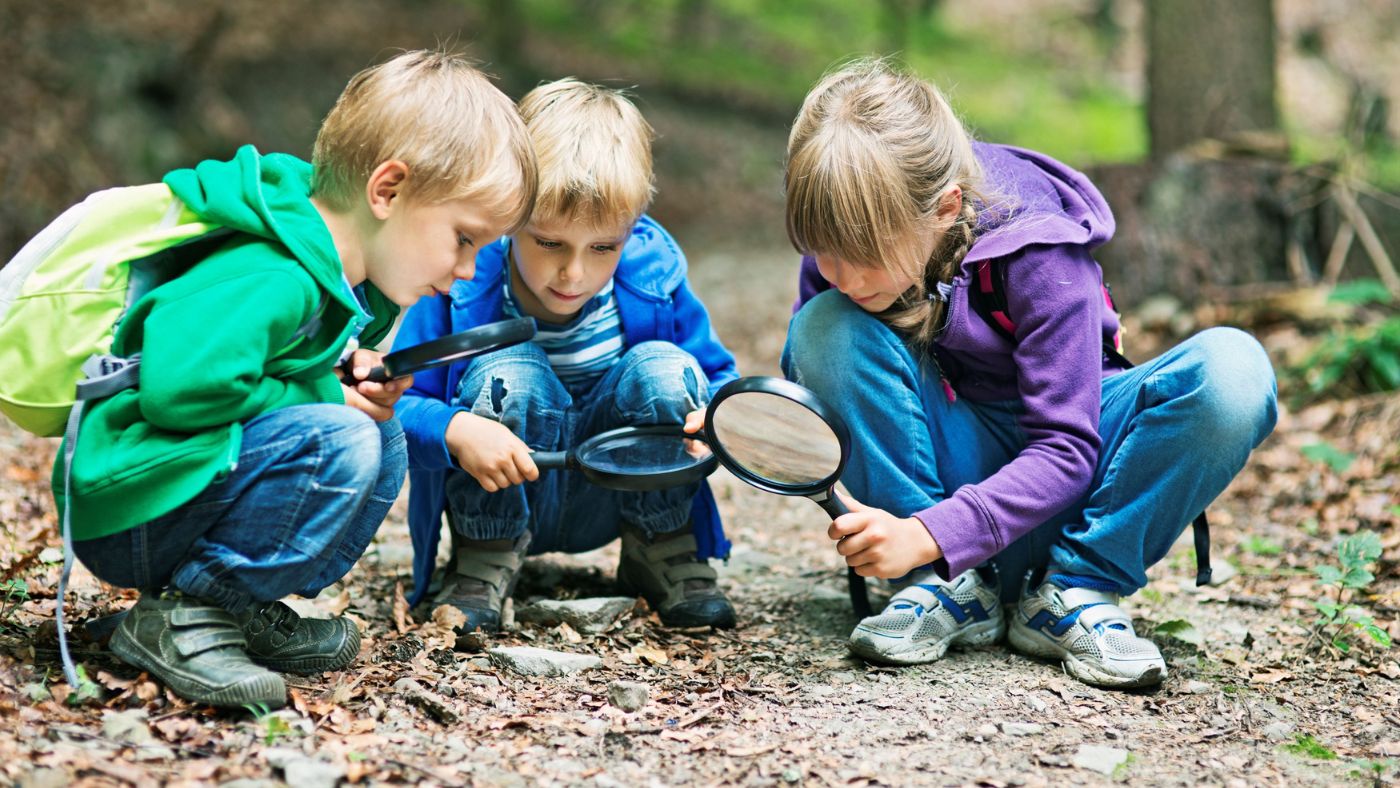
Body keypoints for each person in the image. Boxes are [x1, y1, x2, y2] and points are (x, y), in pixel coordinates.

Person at [58, 50, 537, 707]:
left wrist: (340, 374)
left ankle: (229, 606)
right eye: (464, 238)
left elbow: (270, 372)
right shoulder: (274, 272)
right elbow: (181, 389)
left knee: (379, 433)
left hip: (176, 489)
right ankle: (183, 613)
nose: (467, 269)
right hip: (132, 505)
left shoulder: (326, 276)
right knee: (341, 438)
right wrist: (323, 394)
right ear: (388, 190)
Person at [781, 59, 1278, 688]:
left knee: (1234, 370)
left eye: (864, 257)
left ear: (945, 208)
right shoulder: (844, 265)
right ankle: (944, 591)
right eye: (824, 252)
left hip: (1072, 493)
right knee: (824, 325)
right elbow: (823, 395)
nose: (842, 276)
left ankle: (1076, 591)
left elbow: (1067, 449)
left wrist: (929, 533)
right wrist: (747, 425)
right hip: (941, 501)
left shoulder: (1039, 251)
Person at [395, 79, 740, 640]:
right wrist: (454, 429)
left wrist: (717, 419)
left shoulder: (653, 279)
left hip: (616, 490)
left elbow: (719, 379)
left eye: (603, 247)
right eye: (549, 243)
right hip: (503, 486)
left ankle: (661, 545)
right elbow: (398, 405)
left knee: (664, 367)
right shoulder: (461, 285)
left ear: (631, 230)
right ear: (509, 218)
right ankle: (485, 556)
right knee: (510, 369)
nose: (574, 274)